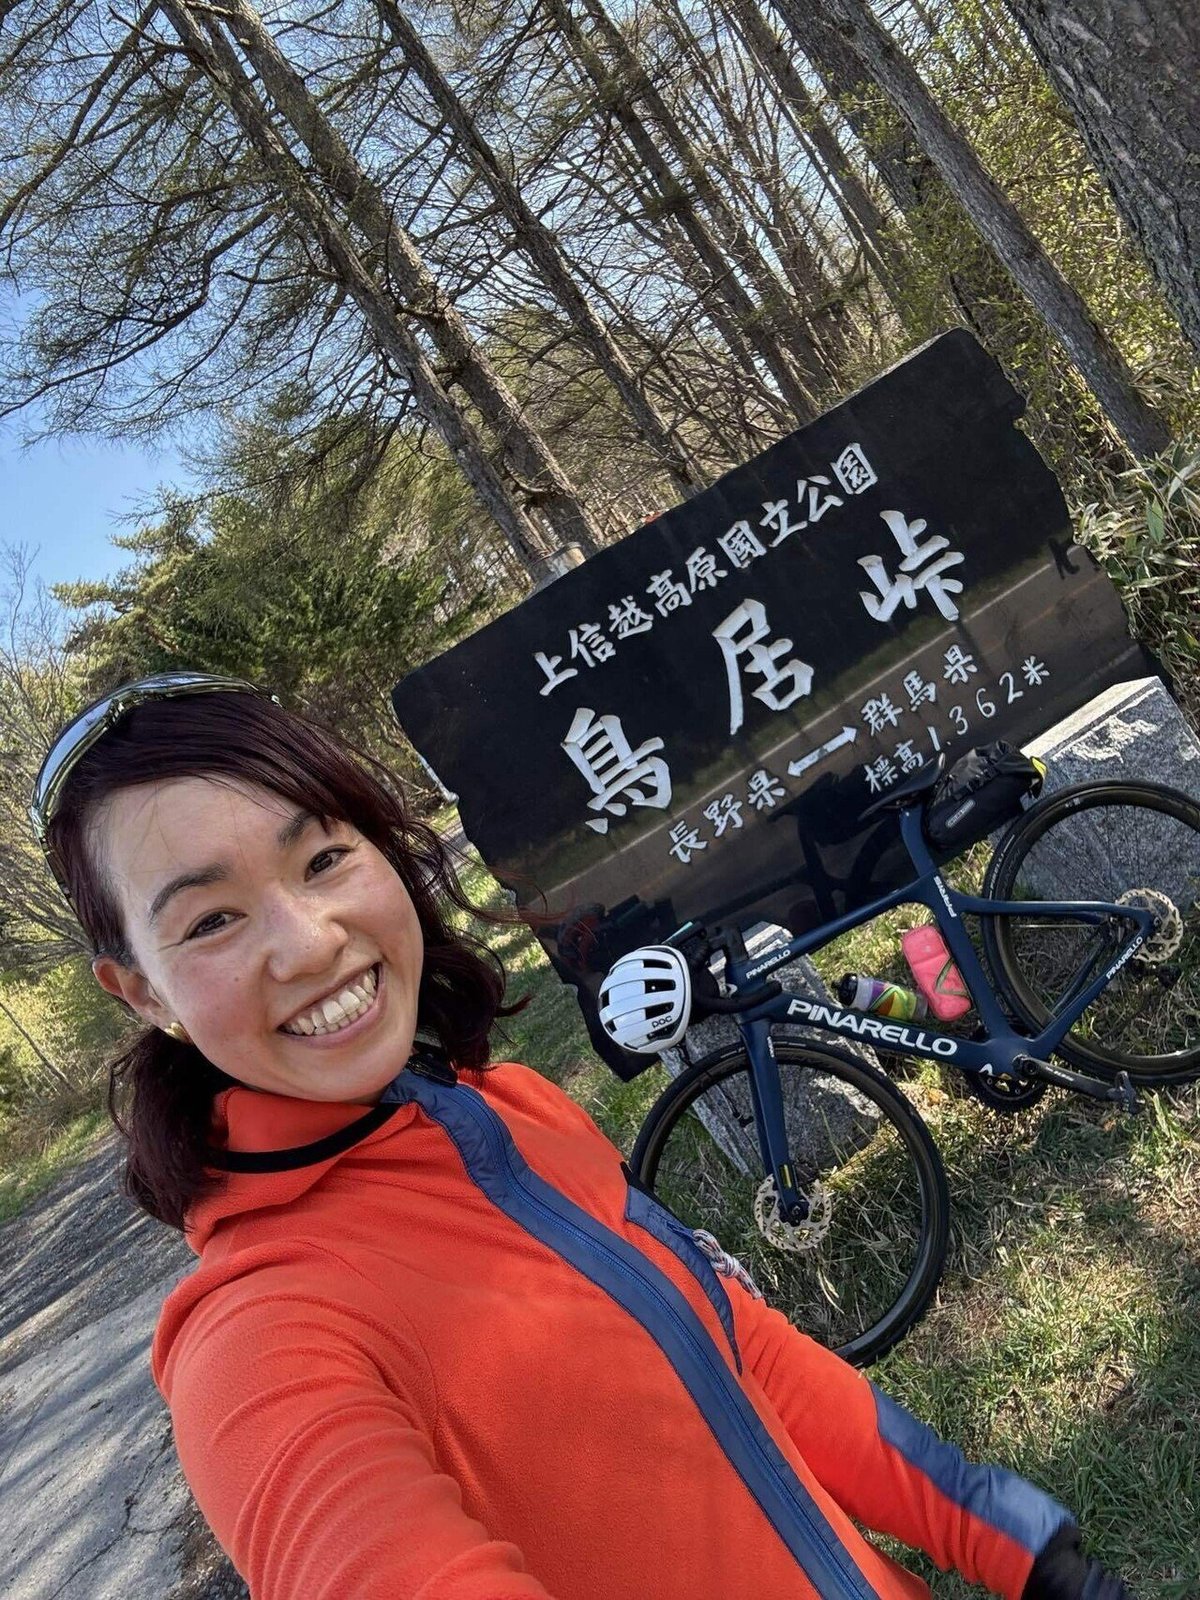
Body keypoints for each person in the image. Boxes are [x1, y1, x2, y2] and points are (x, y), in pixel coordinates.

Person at [33, 671, 1134, 1600]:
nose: (309, 941)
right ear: (142, 991)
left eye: (323, 858)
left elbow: (734, 1348)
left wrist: (1003, 1529)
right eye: (212, 918)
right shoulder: (261, 1344)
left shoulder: (512, 1111)